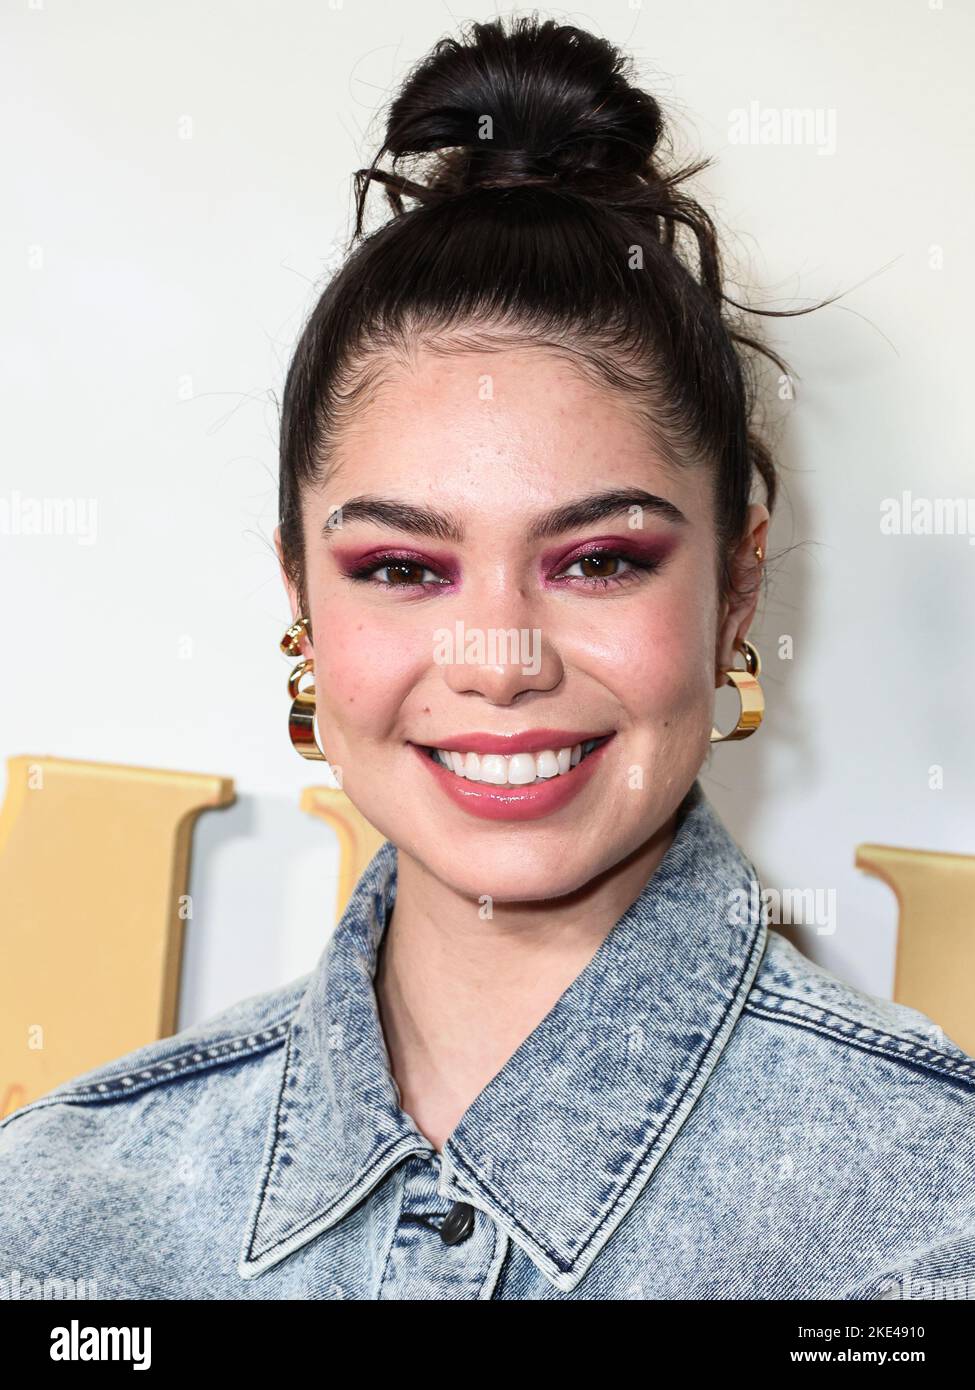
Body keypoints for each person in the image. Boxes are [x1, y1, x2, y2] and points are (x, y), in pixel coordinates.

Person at [2, 15, 973, 1302]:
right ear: (301, 597)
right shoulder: (61, 1212)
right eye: (403, 568)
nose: (499, 658)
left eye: (599, 559)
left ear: (738, 583)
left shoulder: (932, 1222)